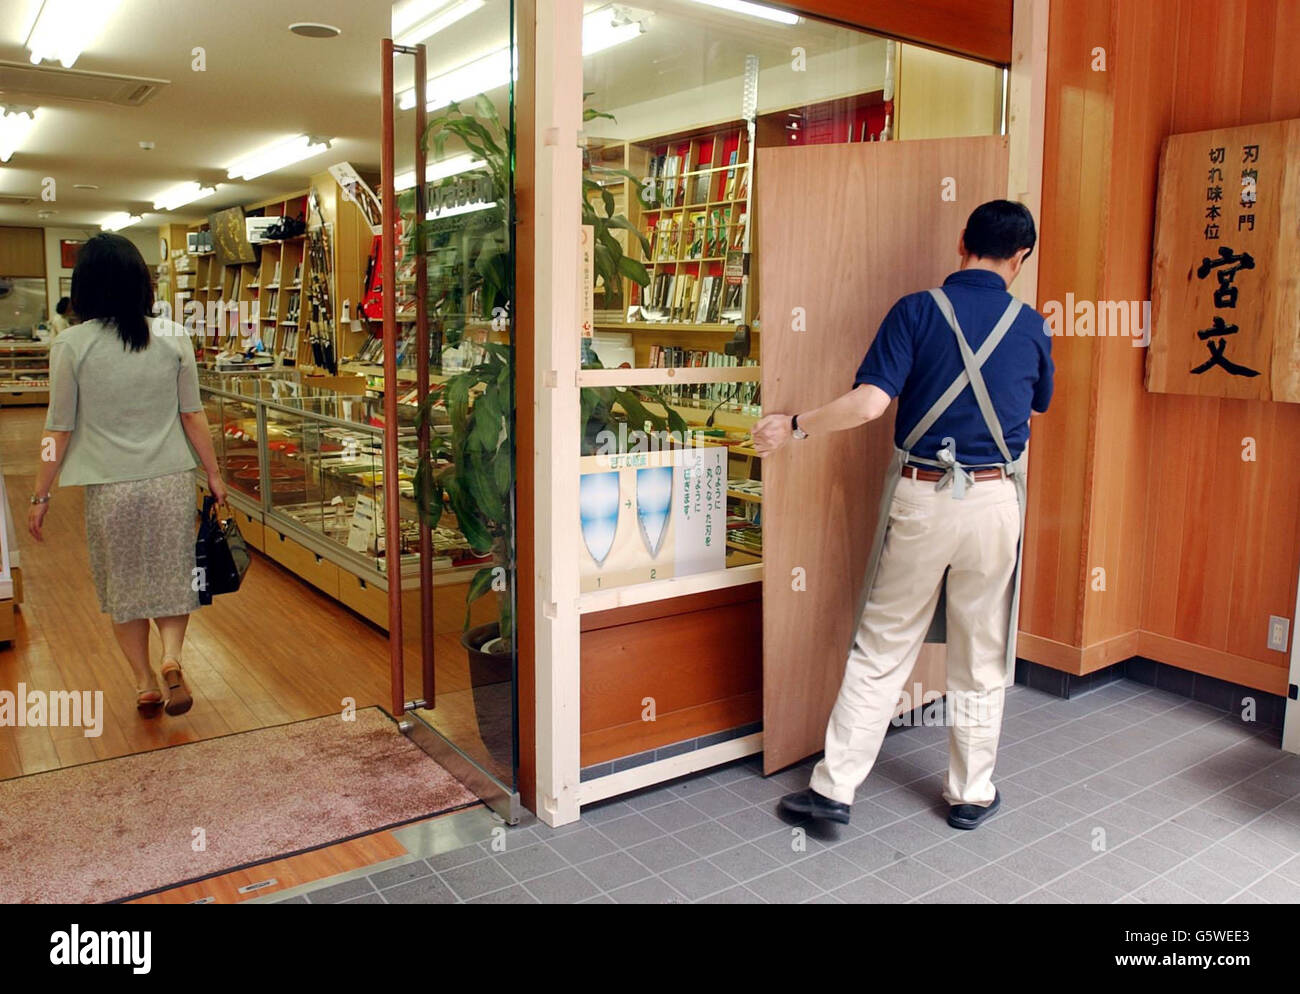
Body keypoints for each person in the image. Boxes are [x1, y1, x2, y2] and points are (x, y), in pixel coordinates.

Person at [754, 200, 1054, 831]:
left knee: (884, 645)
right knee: (983, 651)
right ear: (1020, 258)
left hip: (924, 494)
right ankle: (971, 795)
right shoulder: (1030, 325)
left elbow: (868, 405)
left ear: (961, 243)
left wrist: (795, 426)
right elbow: (1040, 403)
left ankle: (834, 792)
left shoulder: (917, 310)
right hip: (997, 501)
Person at [28, 233, 229, 719]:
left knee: (123, 586)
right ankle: (171, 658)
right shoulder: (173, 336)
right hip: (170, 481)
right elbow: (192, 415)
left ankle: (143, 683)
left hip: (108, 487)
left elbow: (58, 426)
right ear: (143, 280)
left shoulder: (70, 345)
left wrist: (41, 493)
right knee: (173, 575)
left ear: (85, 287)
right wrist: (216, 477)